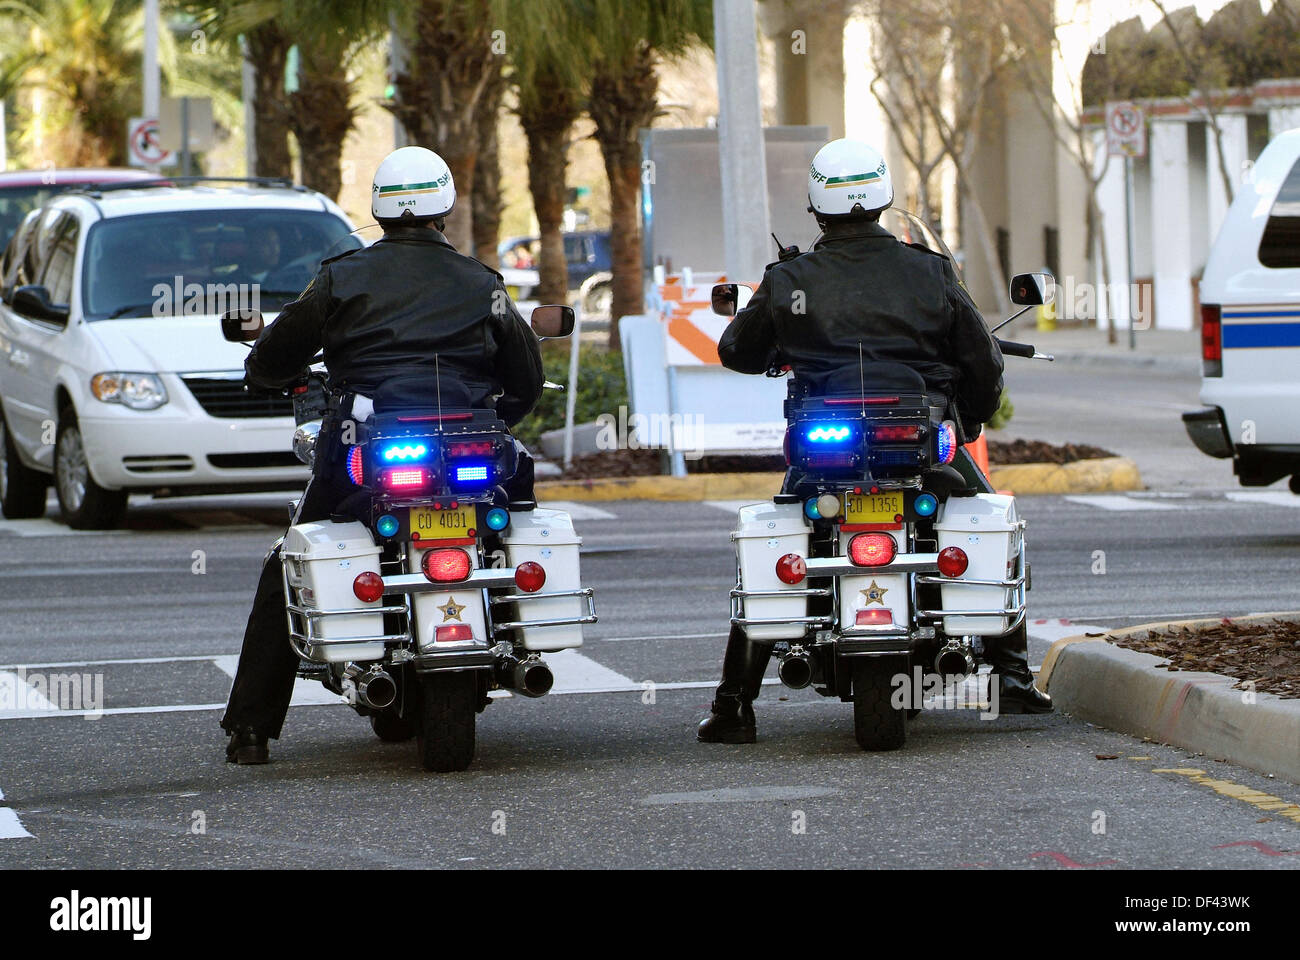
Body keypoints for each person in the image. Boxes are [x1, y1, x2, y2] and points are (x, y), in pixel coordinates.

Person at [696, 138, 1052, 746]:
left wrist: (781, 342)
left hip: (822, 447)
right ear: (883, 195)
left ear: (816, 203)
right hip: (917, 443)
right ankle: (1012, 675)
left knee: (773, 549)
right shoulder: (929, 272)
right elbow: (983, 363)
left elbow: (736, 351)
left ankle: (734, 705)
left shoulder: (790, 278)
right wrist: (967, 420)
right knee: (992, 523)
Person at [222, 146, 545, 764]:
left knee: (288, 563)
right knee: (518, 518)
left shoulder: (342, 277)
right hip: (472, 452)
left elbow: (274, 355)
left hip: (361, 451)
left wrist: (265, 371)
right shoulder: (484, 283)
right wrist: (495, 423)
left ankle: (251, 730)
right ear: (444, 205)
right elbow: (525, 380)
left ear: (380, 207)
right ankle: (514, 638)